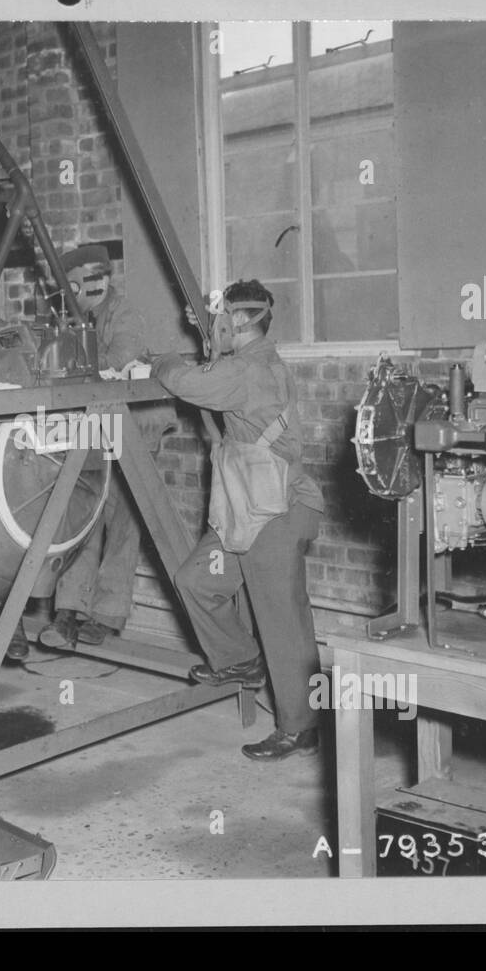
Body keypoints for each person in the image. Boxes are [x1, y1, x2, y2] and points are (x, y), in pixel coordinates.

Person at [151, 279, 326, 762]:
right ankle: (241, 661)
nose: (212, 327)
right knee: (195, 581)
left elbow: (187, 383)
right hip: (245, 506)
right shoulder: (244, 363)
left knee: (281, 620)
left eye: (220, 318)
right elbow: (213, 371)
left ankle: (301, 727)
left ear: (243, 321)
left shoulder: (250, 371)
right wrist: (210, 337)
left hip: (277, 512)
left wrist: (161, 361)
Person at [37, 245, 167, 653]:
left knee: (122, 524)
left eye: (74, 285)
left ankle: (105, 615)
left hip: (134, 430)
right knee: (84, 516)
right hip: (97, 427)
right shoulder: (81, 315)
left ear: (94, 281)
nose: (70, 292)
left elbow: (113, 362)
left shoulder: (124, 315)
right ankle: (69, 612)